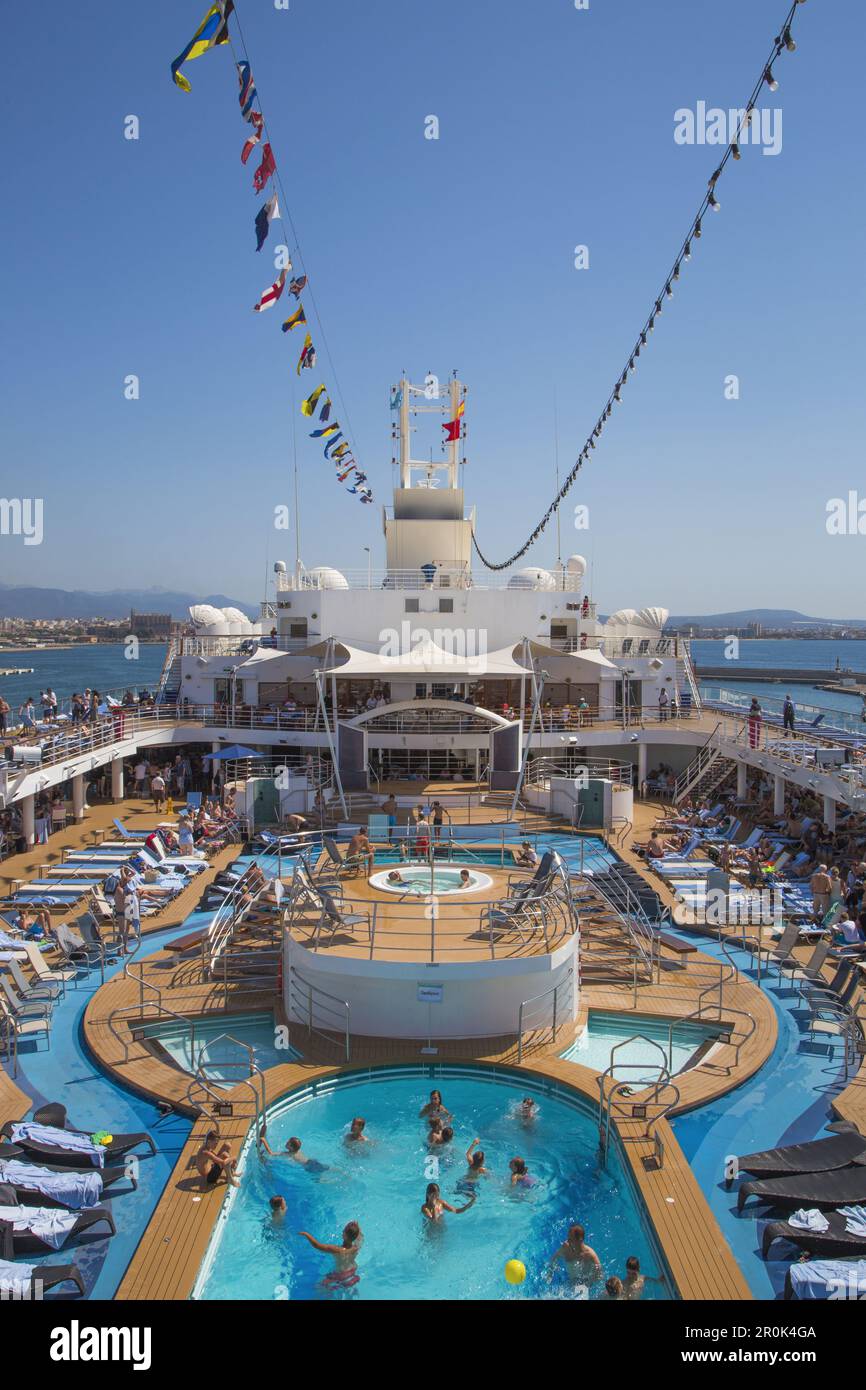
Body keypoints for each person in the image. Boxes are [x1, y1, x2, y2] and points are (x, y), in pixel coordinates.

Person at [298, 1222, 363, 1287]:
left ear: (345, 1236)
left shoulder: (338, 1250)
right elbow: (360, 1236)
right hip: (353, 1270)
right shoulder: (356, 1247)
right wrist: (357, 1227)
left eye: (344, 1231)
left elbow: (317, 1245)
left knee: (319, 1286)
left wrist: (306, 1234)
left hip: (341, 1275)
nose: (342, 1231)